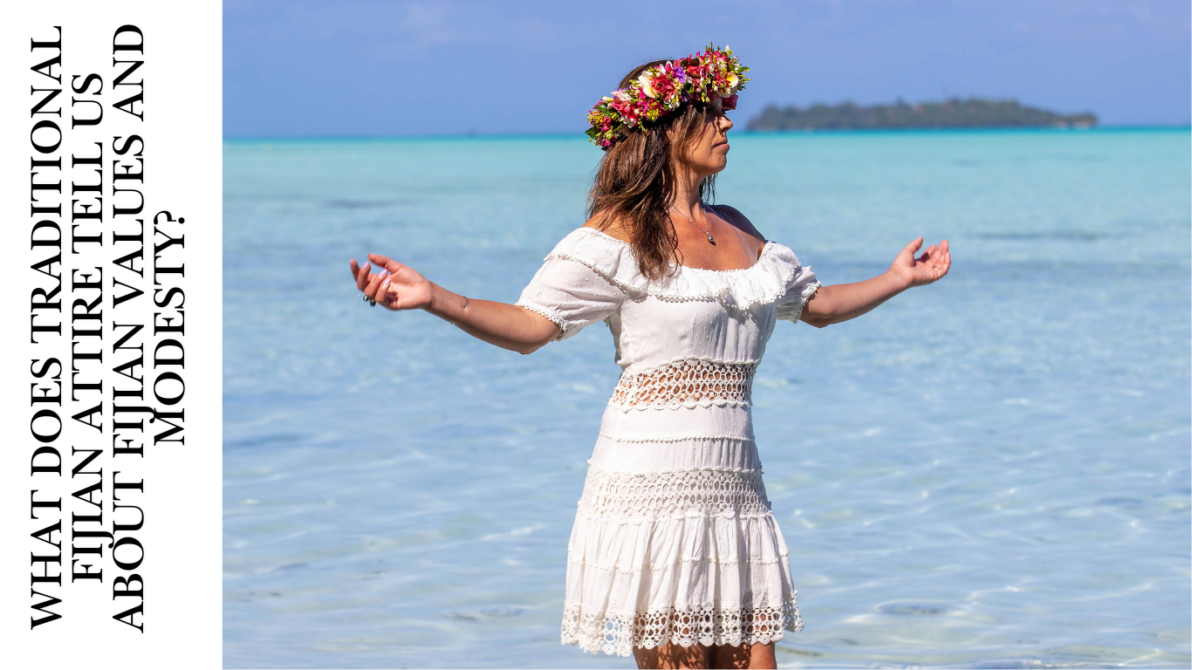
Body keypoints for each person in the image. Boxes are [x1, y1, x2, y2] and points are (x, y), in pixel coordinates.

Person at [349, 45, 950, 670]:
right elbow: (532, 327)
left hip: (734, 484)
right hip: (649, 488)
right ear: (663, 126)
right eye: (711, 111)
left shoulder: (740, 228)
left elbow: (816, 304)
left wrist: (895, 279)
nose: (727, 123)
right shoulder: (618, 233)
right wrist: (434, 298)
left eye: (724, 109)